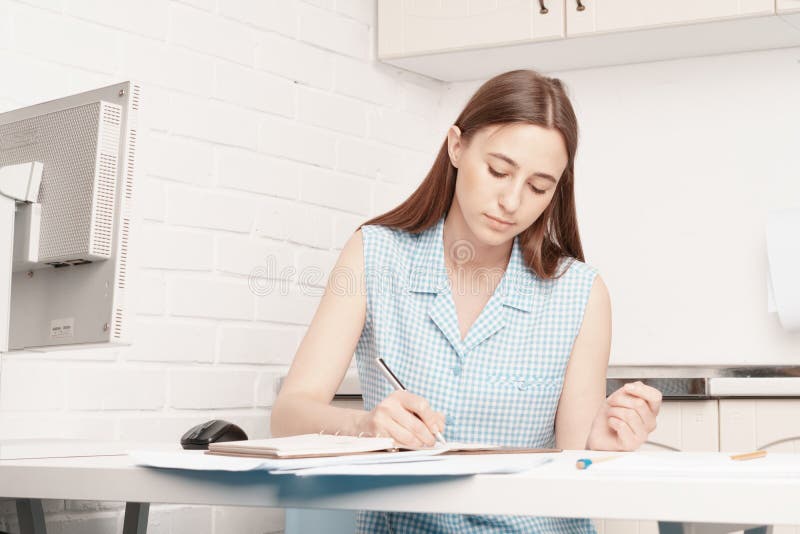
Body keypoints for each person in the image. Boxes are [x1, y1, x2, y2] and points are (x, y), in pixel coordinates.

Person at [271, 69, 663, 533]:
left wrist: (602, 444)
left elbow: (575, 456)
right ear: (457, 146)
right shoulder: (374, 255)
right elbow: (288, 414)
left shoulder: (580, 292)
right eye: (498, 170)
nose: (512, 201)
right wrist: (368, 428)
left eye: (539, 187)